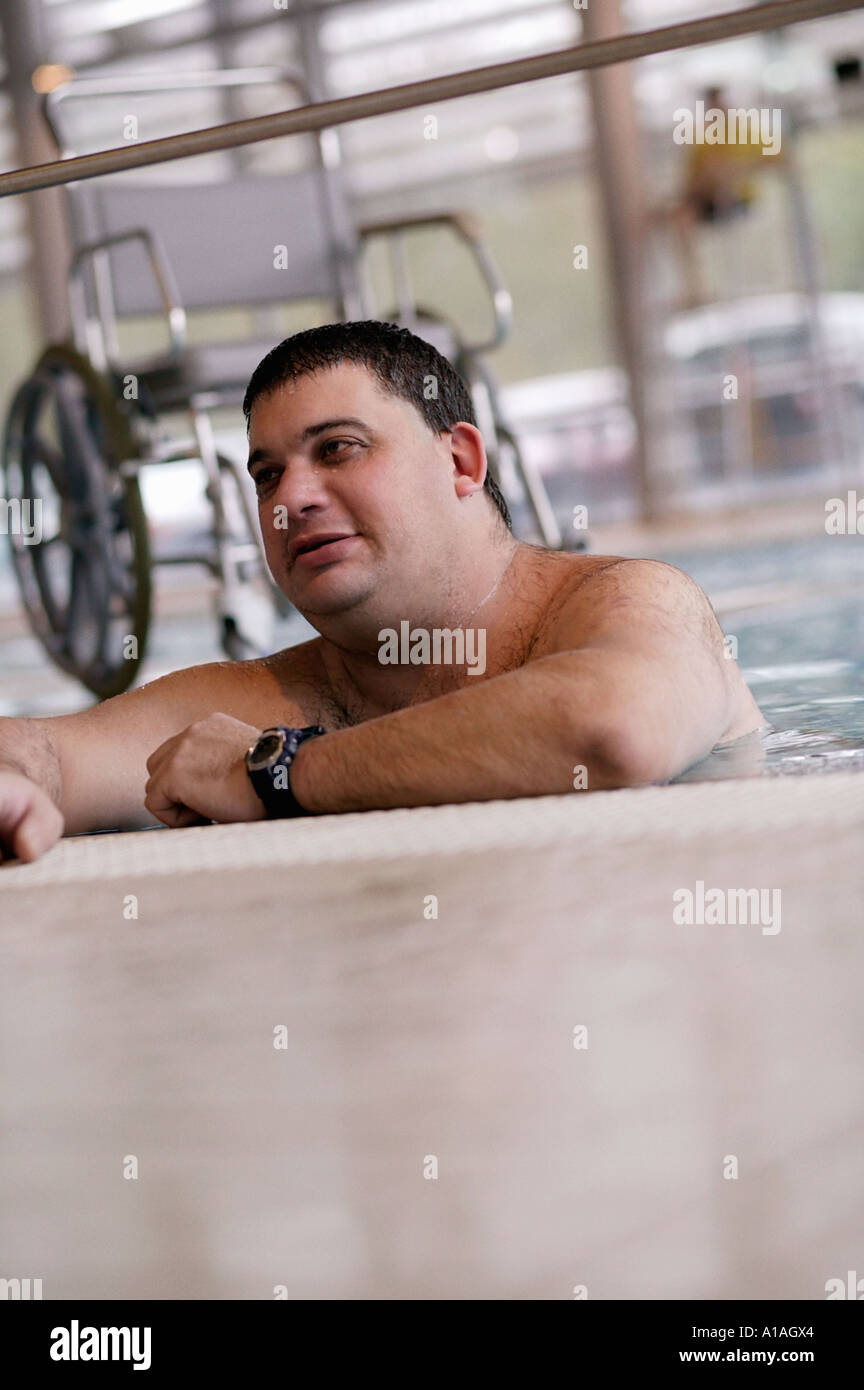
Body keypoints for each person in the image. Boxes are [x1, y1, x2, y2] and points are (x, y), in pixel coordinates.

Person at [0, 320, 765, 864]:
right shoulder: (278, 696)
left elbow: (611, 730)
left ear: (461, 462)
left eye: (338, 449)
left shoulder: (627, 601)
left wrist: (281, 772)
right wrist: (17, 788)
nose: (289, 498)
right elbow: (53, 754)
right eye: (267, 474)